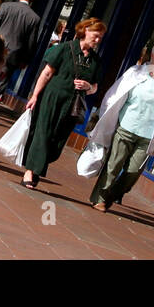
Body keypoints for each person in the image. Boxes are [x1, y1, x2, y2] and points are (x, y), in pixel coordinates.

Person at [88, 39, 154, 211]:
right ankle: (100, 198)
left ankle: (110, 195)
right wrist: (105, 117)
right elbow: (114, 94)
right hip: (126, 128)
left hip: (149, 136)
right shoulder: (135, 72)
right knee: (113, 165)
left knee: (132, 173)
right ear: (152, 55)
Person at [20, 17, 106, 189]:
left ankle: (37, 167)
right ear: (85, 31)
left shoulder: (95, 60)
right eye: (96, 35)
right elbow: (46, 73)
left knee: (57, 140)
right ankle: (30, 172)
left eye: (100, 37)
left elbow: (95, 87)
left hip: (73, 105)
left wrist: (88, 86)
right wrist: (35, 95)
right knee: (43, 132)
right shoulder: (64, 49)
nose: (98, 40)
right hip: (52, 97)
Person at [0, 0, 42, 119]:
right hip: (14, 55)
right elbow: (32, 43)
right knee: (1, 83)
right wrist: (26, 60)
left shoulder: (6, 6)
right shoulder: (34, 18)